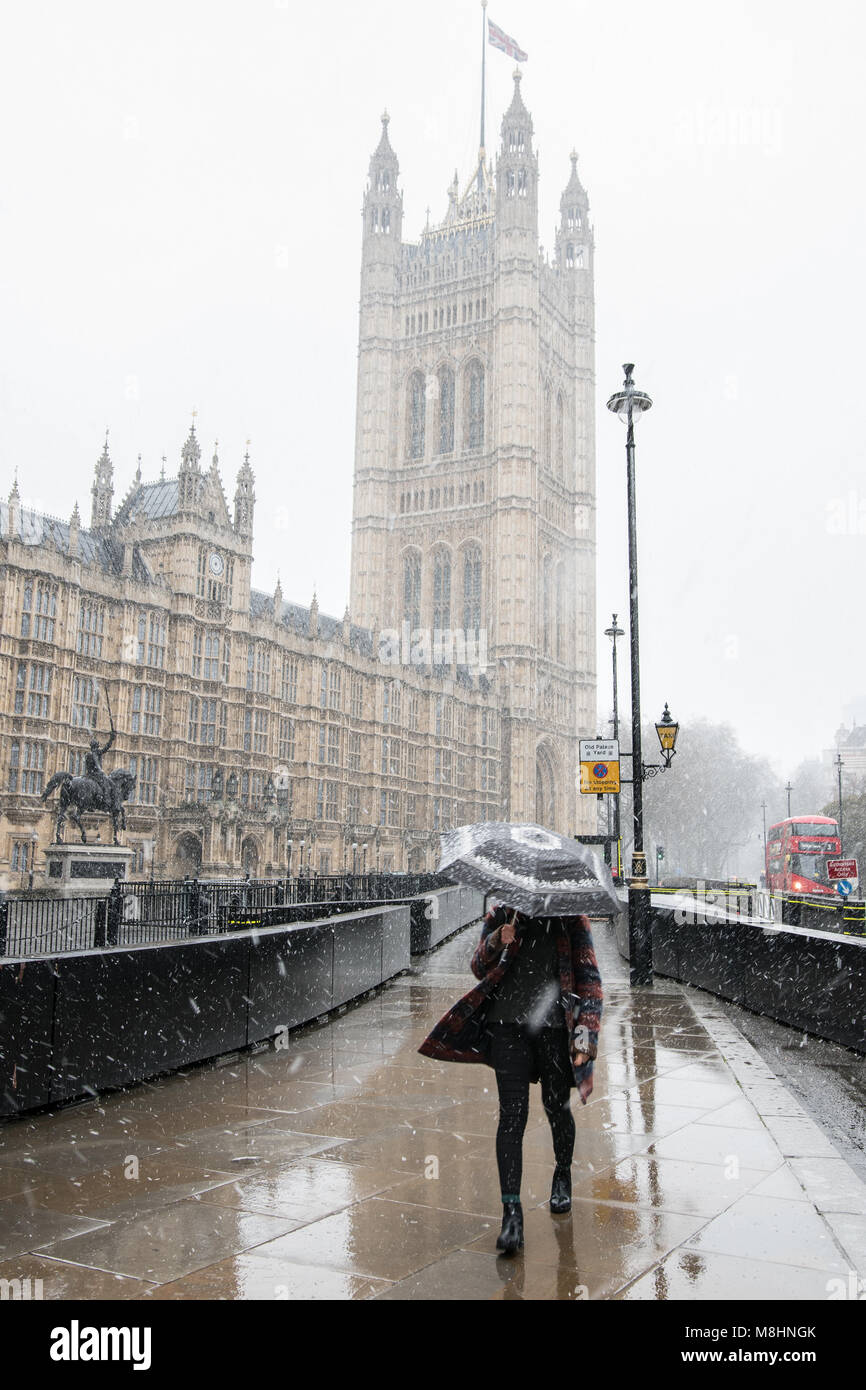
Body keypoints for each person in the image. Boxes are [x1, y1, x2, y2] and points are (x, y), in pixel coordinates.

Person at [418, 901, 603, 1256]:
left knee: (555, 1107)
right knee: (512, 1117)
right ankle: (511, 1214)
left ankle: (562, 1174)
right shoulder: (503, 914)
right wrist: (498, 942)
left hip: (553, 1029)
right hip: (507, 1026)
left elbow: (590, 985)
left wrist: (585, 1039)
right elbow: (476, 967)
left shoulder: (571, 918)